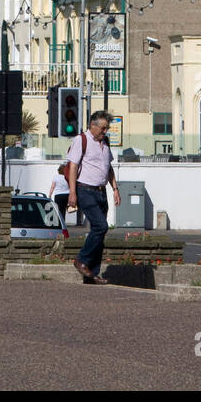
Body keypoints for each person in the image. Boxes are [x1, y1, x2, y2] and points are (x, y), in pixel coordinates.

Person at [67, 111, 120, 285]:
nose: (105, 131)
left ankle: (92, 273)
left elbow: (108, 167)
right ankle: (81, 260)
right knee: (100, 226)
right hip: (85, 190)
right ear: (93, 125)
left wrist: (115, 188)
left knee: (100, 233)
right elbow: (73, 167)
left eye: (107, 128)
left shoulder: (105, 142)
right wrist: (72, 193)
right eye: (103, 128)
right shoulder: (81, 140)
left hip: (101, 191)